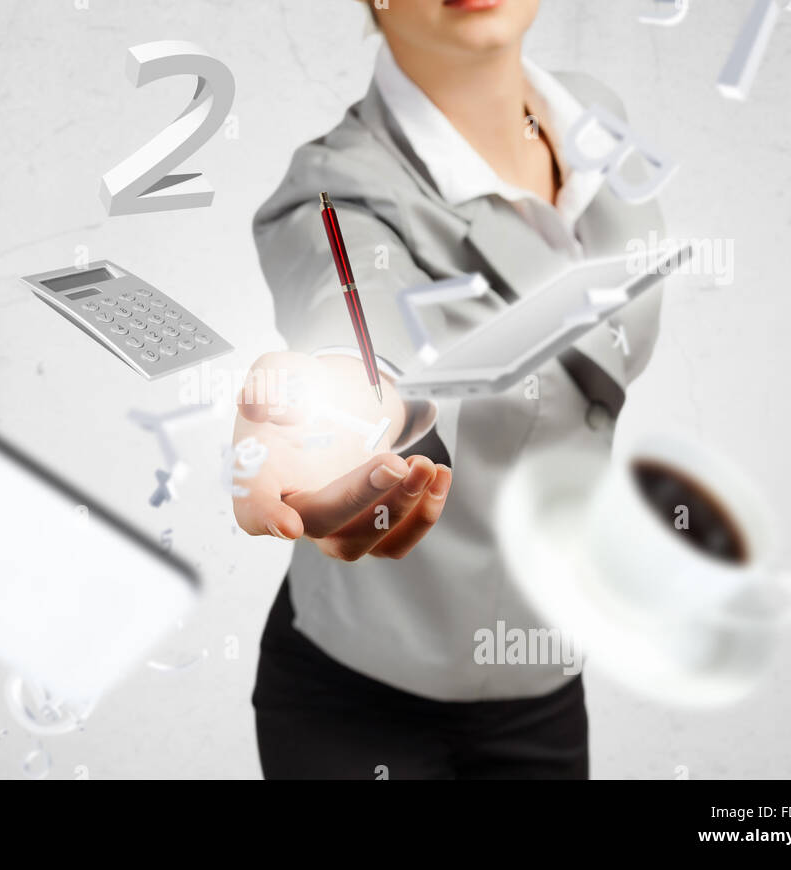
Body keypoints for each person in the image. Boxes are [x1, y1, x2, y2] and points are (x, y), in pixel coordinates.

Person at [234, 0, 668, 779]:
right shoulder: (336, 191)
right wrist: (335, 417)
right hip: (358, 700)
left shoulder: (597, 116)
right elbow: (354, 324)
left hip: (542, 681)